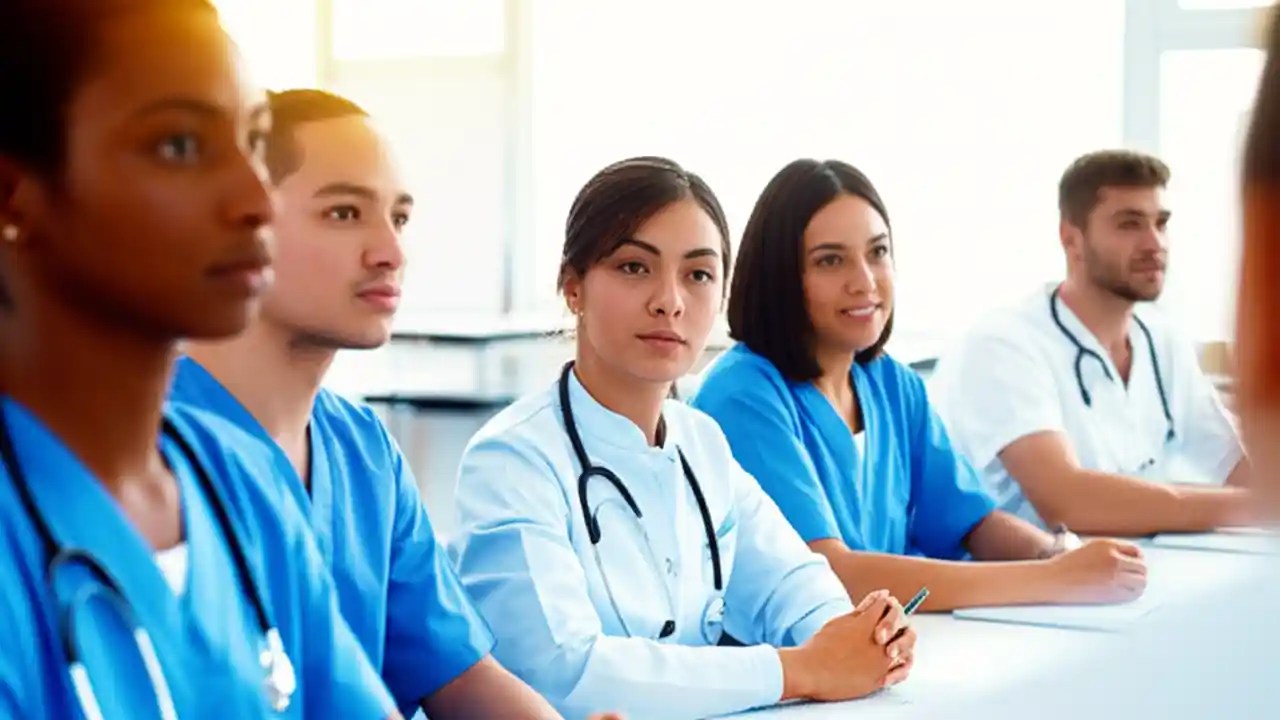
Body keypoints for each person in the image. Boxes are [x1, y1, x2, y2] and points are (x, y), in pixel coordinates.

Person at [0, 1, 398, 718]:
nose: (253, 199)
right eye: (180, 145)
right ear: (14, 194)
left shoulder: (237, 486)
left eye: (249, 140)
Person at [448, 157, 917, 720]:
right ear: (573, 287)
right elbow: (563, 673)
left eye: (697, 274)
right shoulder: (513, 460)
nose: (669, 300)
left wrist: (861, 638)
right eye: (633, 267)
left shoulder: (701, 444)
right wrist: (803, 668)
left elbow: (795, 583)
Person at [172, 87, 568, 720]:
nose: (391, 252)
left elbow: (459, 676)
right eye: (343, 214)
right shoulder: (150, 450)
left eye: (400, 219)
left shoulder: (362, 451)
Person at [691, 159, 1146, 612]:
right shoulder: (743, 396)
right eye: (830, 261)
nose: (865, 281)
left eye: (878, 252)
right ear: (781, 276)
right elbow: (830, 576)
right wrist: (1052, 579)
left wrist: (1057, 552)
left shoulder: (892, 384)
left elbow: (971, 523)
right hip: (790, 672)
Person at [930, 150, 1258, 536]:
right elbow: (1068, 503)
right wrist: (1256, 507)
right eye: (1129, 224)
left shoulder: (1161, 339)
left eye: (1161, 223)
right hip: (1023, 583)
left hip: (1132, 570)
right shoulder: (1003, 344)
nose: (1154, 243)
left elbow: (1242, 468)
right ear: (1072, 239)